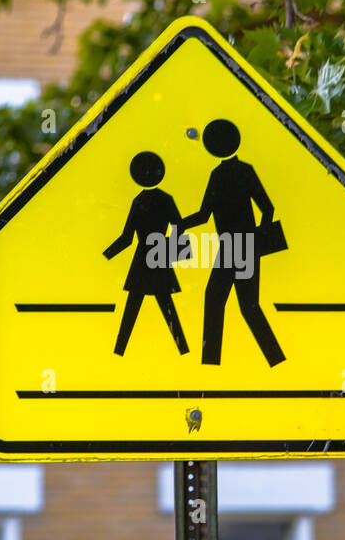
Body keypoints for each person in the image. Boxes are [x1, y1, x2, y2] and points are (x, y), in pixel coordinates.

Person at [179, 119, 285, 366]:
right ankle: (269, 359)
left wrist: (182, 224)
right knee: (236, 303)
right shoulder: (239, 171)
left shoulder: (221, 175)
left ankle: (218, 361)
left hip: (235, 248)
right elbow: (266, 208)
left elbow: (205, 215)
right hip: (238, 248)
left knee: (229, 303)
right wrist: (255, 238)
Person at [103, 151, 189, 356]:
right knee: (165, 307)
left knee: (134, 307)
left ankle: (119, 351)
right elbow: (179, 227)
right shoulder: (165, 199)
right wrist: (169, 248)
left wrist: (106, 255)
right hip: (158, 256)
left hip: (144, 259)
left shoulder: (139, 201)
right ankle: (183, 350)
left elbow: (126, 238)